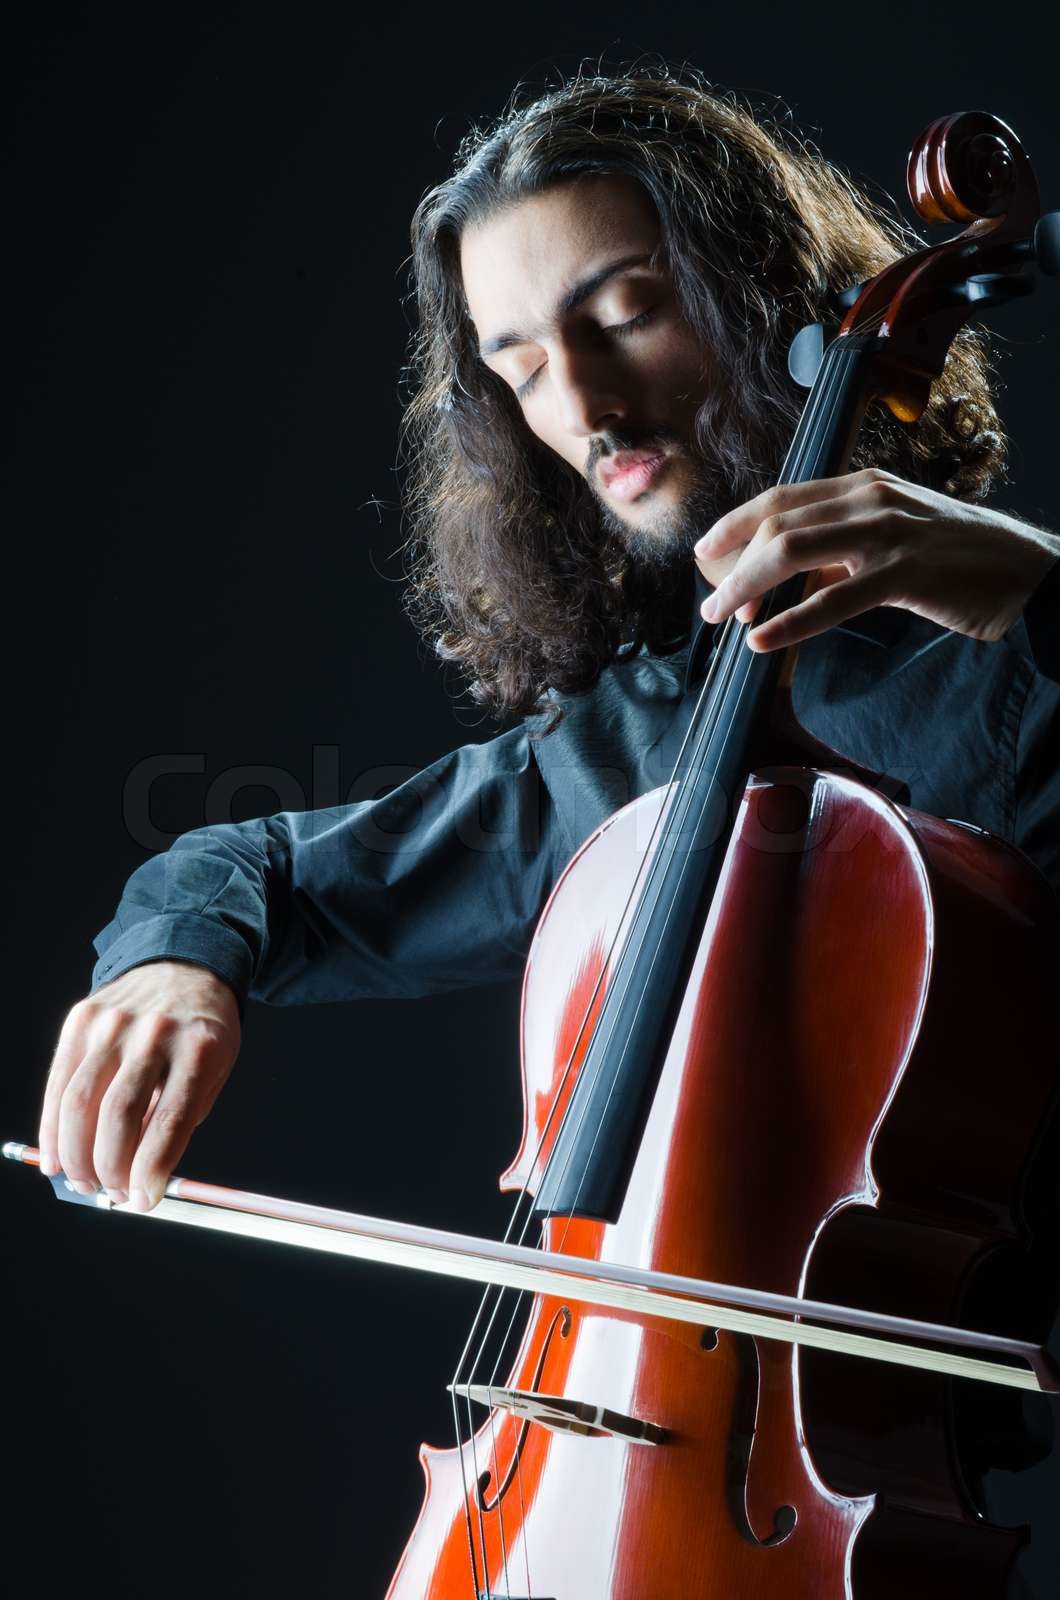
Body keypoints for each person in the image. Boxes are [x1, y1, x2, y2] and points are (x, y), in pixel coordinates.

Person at [36, 71, 1058, 1583]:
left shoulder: (1018, 661)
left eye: (624, 313)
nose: (581, 407)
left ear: (766, 300)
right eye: (517, 364)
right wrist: (174, 961)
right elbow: (257, 870)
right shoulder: (638, 747)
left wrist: (1031, 586)